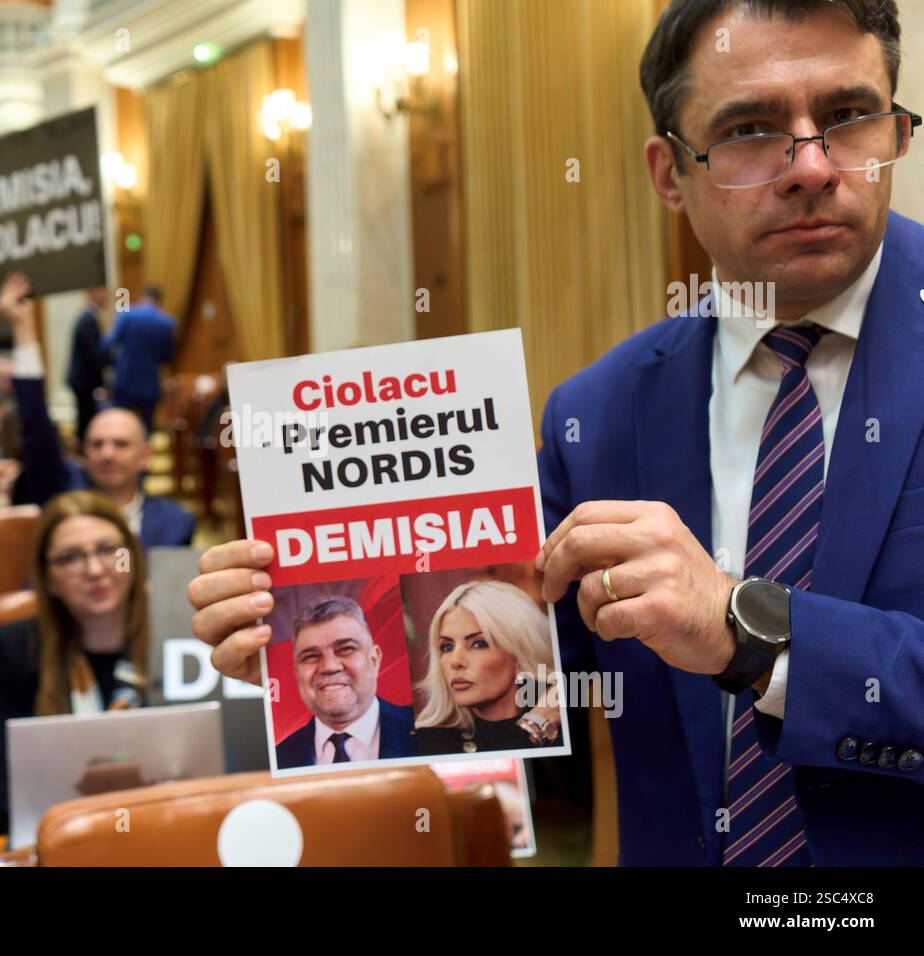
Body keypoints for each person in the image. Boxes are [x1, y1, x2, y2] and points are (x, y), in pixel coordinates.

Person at [190, 0, 924, 865]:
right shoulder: (599, 413)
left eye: (846, 116)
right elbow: (532, 694)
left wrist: (750, 634)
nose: (810, 164)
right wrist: (306, 668)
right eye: (751, 130)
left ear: (898, 132)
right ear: (668, 173)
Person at [0, 490, 149, 835]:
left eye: (107, 549)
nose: (95, 570)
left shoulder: (180, 632)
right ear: (49, 578)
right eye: (70, 558)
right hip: (72, 840)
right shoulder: (17, 650)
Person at [0, 272, 196, 548]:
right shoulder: (63, 492)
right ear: (84, 453)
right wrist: (23, 326)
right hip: (149, 386)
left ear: (145, 456)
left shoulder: (177, 525)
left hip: (125, 385)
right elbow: (35, 425)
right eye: (97, 444)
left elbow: (108, 346)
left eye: (121, 445)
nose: (107, 454)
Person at [413, 580, 561, 755]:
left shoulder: (560, 730)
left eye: (478, 644)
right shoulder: (425, 744)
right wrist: (533, 725)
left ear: (520, 656)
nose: (455, 661)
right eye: (447, 647)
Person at [274, 596, 416, 768]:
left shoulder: (428, 733)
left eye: (345, 649)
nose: (329, 666)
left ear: (374, 660)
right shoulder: (279, 758)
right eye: (311, 656)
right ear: (297, 673)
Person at [102, 284, 176, 430]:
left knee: (119, 424)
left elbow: (107, 345)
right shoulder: (167, 323)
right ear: (159, 301)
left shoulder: (126, 316)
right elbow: (167, 357)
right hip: (150, 384)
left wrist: (114, 365)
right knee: (146, 428)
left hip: (125, 381)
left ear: (143, 297)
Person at [67, 287, 110, 444]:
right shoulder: (87, 319)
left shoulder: (89, 317)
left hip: (84, 380)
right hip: (83, 381)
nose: (107, 296)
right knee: (86, 420)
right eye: (104, 293)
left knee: (85, 417)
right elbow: (93, 354)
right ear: (93, 293)